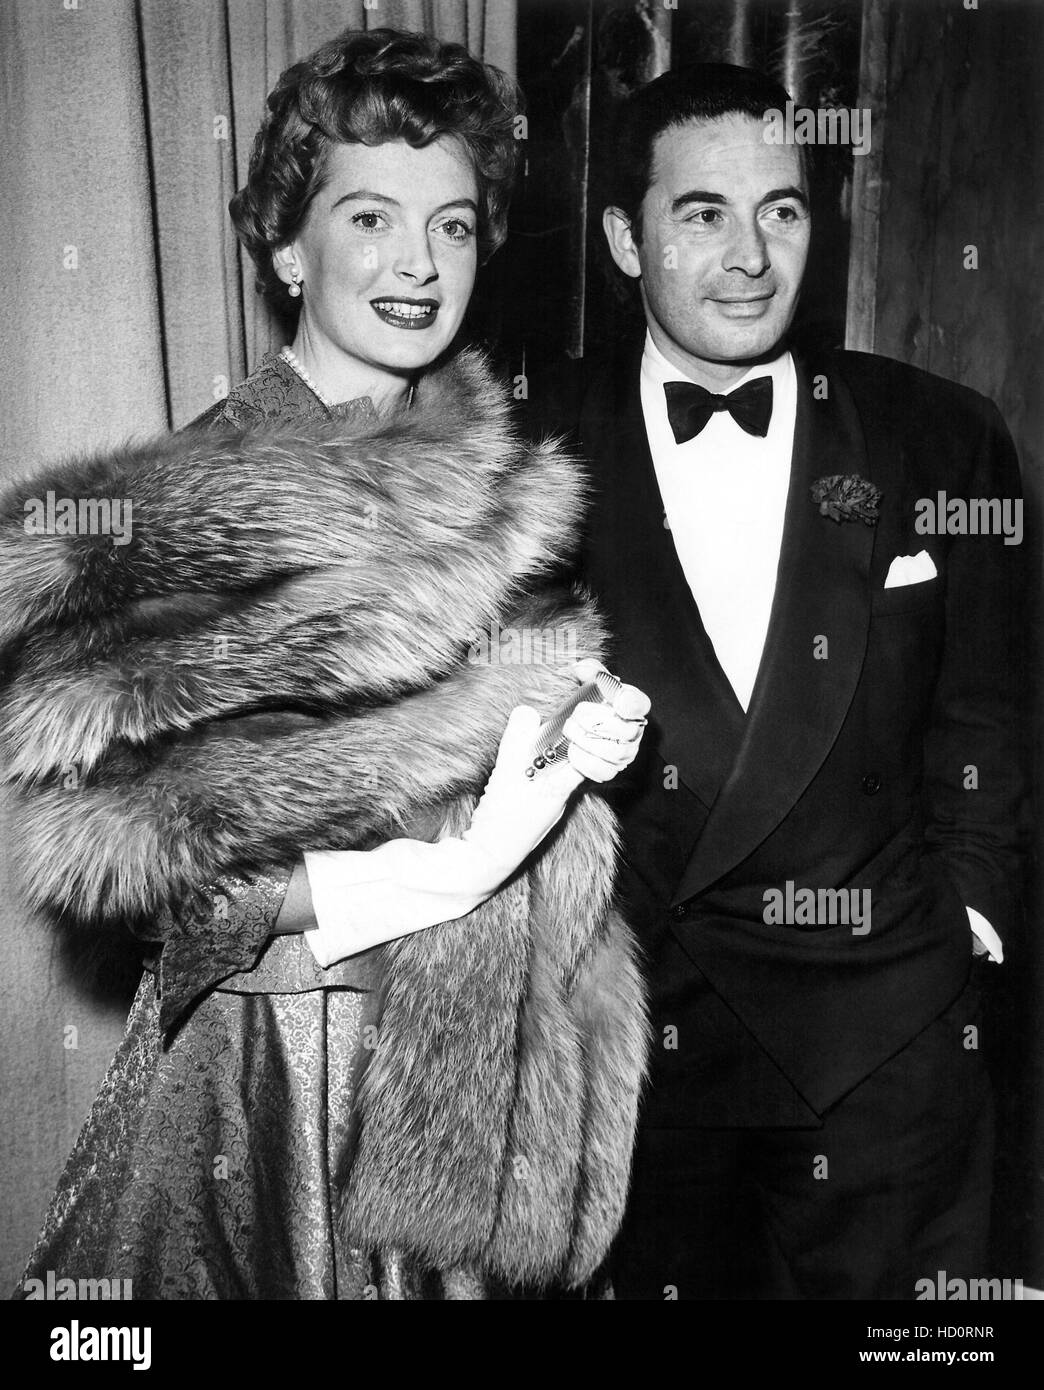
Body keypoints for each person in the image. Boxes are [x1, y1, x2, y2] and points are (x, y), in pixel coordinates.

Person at [3, 27, 650, 1301]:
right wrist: (422, 874)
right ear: (287, 244)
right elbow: (144, 884)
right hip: (284, 1079)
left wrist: (562, 746)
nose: (420, 262)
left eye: (455, 226)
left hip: (477, 1084)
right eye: (372, 216)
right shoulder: (180, 509)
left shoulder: (500, 481)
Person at [536, 62, 1028, 1299]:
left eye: (785, 211)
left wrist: (967, 921)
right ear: (624, 239)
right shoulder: (525, 449)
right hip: (631, 1056)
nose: (751, 255)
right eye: (703, 212)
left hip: (886, 1054)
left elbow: (993, 711)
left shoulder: (941, 435)